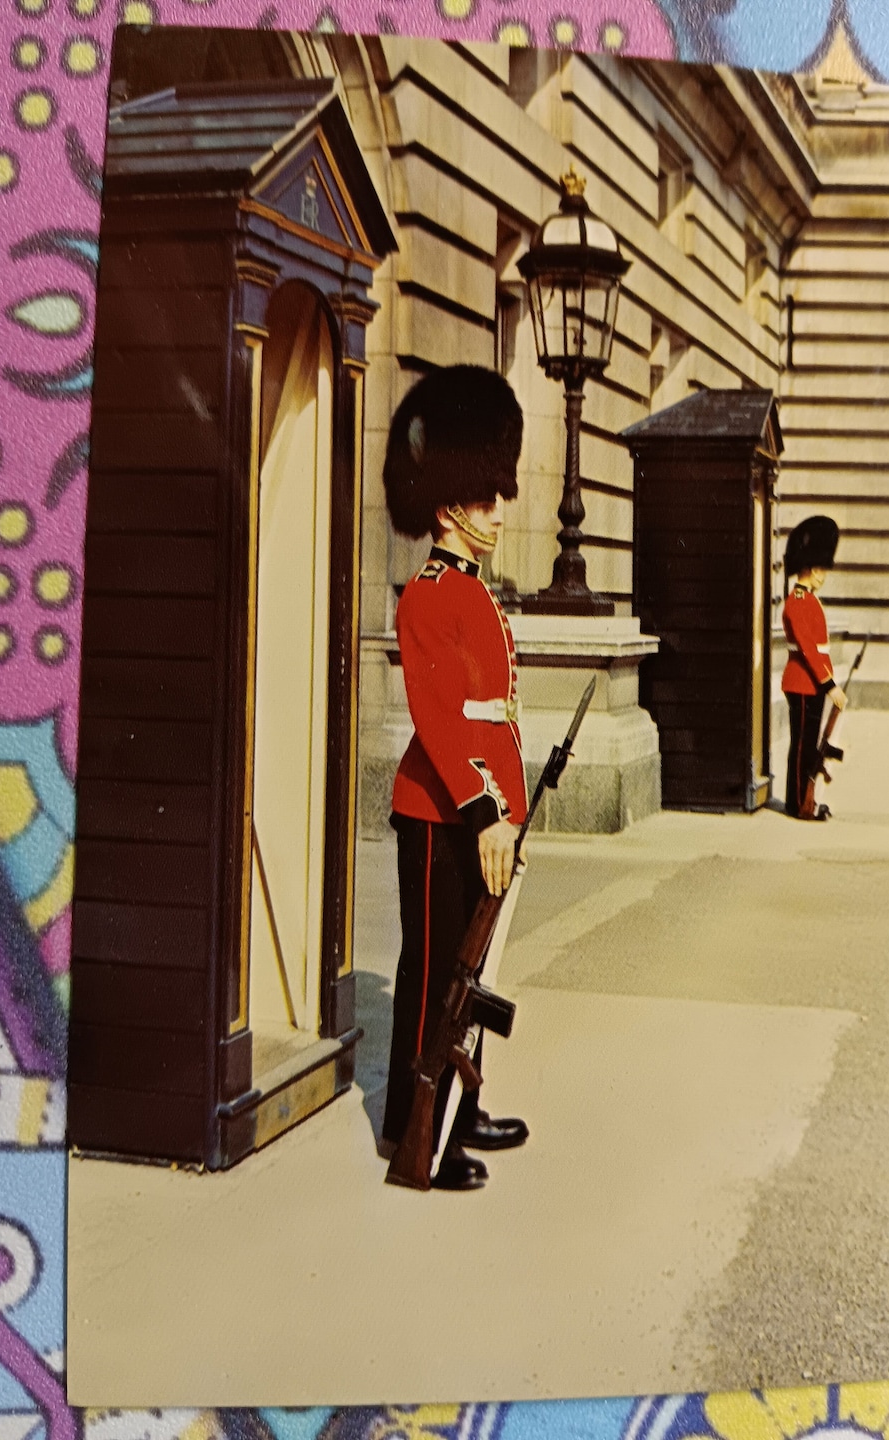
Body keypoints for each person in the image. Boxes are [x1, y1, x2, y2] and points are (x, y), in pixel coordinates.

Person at [380, 364, 530, 1192]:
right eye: (483, 498)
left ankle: (459, 1112)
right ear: (447, 506)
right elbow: (441, 721)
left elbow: (490, 713)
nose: (497, 512)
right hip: (445, 815)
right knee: (436, 976)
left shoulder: (474, 592)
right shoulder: (429, 596)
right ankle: (415, 1130)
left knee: (473, 979)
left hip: (484, 815)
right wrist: (486, 814)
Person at [781, 516, 847, 821]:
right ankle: (797, 804)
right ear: (808, 567)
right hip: (803, 682)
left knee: (810, 746)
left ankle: (803, 800)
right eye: (820, 570)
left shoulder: (807, 599)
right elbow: (807, 648)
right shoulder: (797, 601)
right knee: (803, 747)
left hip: (811, 682)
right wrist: (830, 685)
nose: (822, 576)